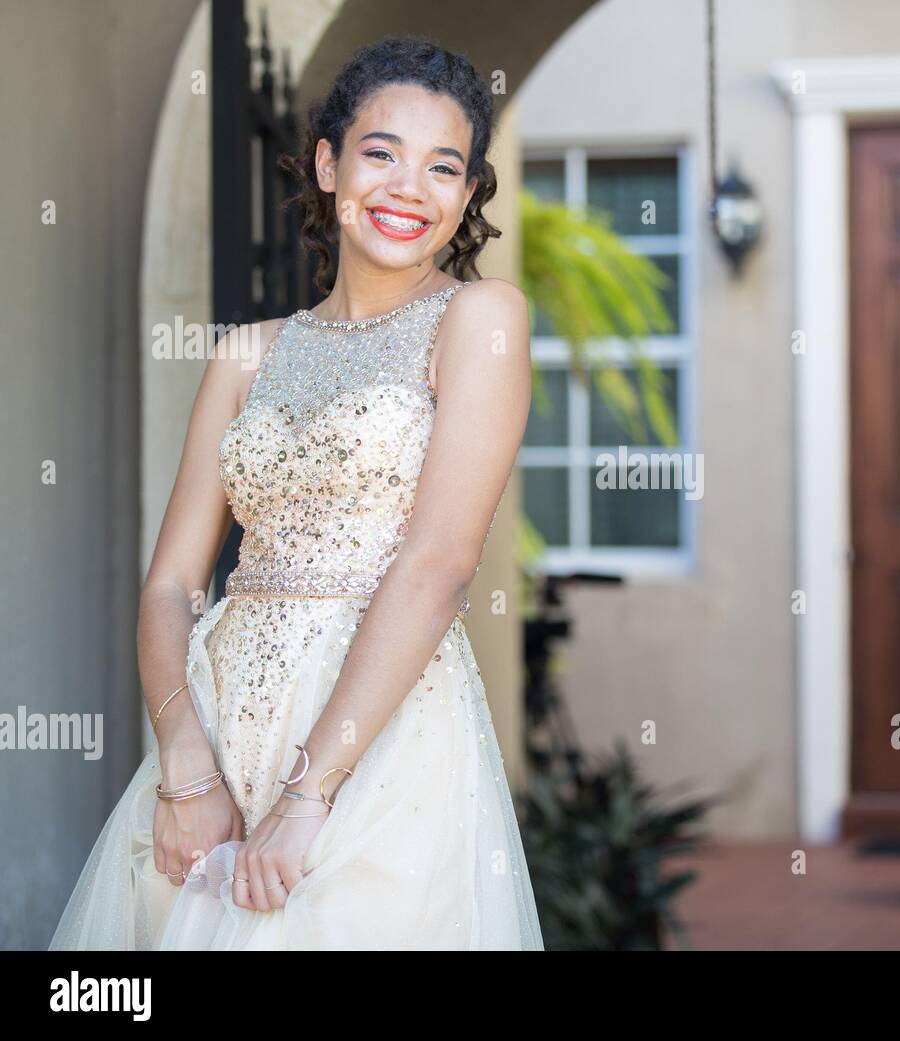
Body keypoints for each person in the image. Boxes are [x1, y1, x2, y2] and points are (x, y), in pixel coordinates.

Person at [49, 36, 543, 949]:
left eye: (444, 167)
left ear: (470, 194)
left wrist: (311, 790)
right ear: (327, 162)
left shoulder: (481, 320)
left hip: (382, 739)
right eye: (381, 152)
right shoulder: (247, 354)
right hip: (219, 728)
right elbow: (168, 587)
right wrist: (186, 772)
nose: (409, 188)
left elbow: (438, 564)